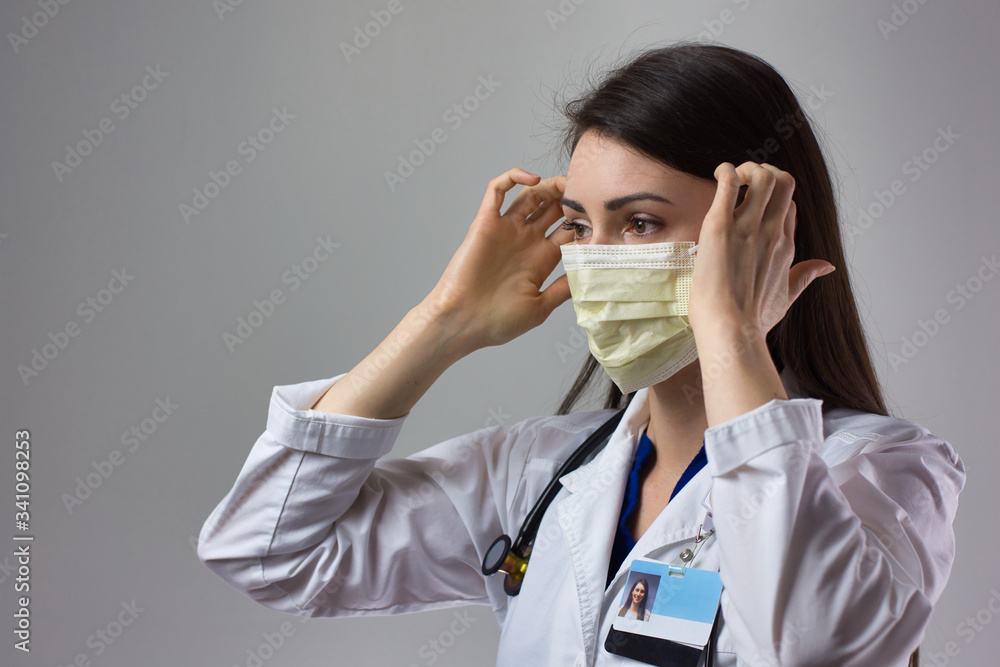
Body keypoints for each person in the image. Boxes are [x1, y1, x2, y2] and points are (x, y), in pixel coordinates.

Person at [197, 42, 965, 667]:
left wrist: (731, 333)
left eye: (638, 223)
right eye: (578, 225)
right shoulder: (541, 470)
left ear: (767, 236)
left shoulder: (883, 470)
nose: (595, 259)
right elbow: (266, 549)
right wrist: (445, 321)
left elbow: (814, 644)